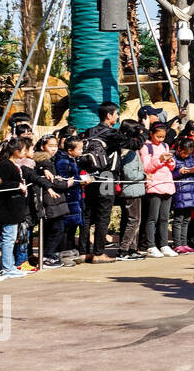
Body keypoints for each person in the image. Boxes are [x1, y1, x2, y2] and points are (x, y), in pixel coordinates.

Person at [78, 102, 121, 263]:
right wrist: (143, 129)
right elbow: (134, 144)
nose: (117, 116)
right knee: (103, 216)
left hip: (91, 176)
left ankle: (83, 252)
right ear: (109, 115)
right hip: (106, 177)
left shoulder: (89, 131)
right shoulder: (112, 134)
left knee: (88, 216)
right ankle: (99, 252)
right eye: (116, 113)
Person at [29, 134, 75, 268]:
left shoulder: (50, 159)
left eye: (55, 146)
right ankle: (48, 255)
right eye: (51, 146)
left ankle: (48, 254)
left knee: (52, 229)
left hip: (53, 200)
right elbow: (51, 181)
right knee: (57, 228)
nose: (54, 149)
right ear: (43, 146)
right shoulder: (44, 161)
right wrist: (66, 184)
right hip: (49, 199)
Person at [0, 138, 32, 278]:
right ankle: (7, 267)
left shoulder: (14, 164)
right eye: (24, 150)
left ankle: (10, 264)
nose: (26, 152)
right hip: (7, 207)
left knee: (11, 238)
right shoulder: (5, 165)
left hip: (14, 207)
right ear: (16, 151)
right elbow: (0, 185)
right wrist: (17, 186)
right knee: (8, 238)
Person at [140, 120, 177, 257]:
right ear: (151, 134)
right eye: (158, 136)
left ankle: (164, 244)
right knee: (152, 217)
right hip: (154, 185)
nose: (161, 139)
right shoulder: (146, 147)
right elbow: (147, 167)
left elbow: (172, 167)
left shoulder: (166, 145)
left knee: (164, 218)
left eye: (163, 136)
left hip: (167, 183)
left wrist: (170, 161)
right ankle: (150, 245)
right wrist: (160, 159)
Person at [114, 119, 147, 259]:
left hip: (135, 188)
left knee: (133, 220)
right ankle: (123, 249)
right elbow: (129, 174)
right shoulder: (127, 150)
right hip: (131, 188)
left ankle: (132, 249)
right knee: (133, 220)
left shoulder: (131, 148)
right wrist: (144, 175)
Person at [54, 136, 88, 263]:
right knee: (66, 227)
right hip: (68, 199)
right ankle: (63, 253)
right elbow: (64, 180)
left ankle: (70, 250)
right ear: (69, 150)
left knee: (73, 227)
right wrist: (80, 180)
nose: (81, 151)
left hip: (75, 198)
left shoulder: (73, 160)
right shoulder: (63, 161)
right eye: (79, 149)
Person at [170, 135, 194, 253]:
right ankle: (177, 244)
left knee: (186, 219)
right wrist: (179, 172)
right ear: (179, 149)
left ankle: (184, 243)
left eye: (188, 153)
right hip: (180, 192)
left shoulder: (190, 159)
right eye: (184, 153)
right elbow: (170, 175)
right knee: (178, 219)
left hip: (191, 192)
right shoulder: (173, 158)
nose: (186, 155)